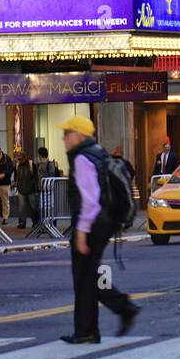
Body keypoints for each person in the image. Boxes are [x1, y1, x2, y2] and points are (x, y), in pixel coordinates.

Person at [60, 115, 139, 343]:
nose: (64, 138)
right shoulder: (97, 152)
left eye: (67, 133)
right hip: (105, 222)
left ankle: (90, 329)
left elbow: (91, 200)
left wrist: (82, 232)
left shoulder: (83, 158)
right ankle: (117, 311)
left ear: (78, 135)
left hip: (93, 223)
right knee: (89, 275)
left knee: (84, 276)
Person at [14, 151, 38, 230]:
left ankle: (35, 222)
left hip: (31, 190)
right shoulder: (17, 165)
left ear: (25, 157)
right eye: (19, 159)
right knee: (21, 207)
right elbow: (16, 177)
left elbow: (35, 177)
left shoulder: (31, 164)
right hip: (21, 189)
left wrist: (35, 188)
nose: (20, 161)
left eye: (21, 159)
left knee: (33, 207)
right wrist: (16, 185)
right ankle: (22, 222)